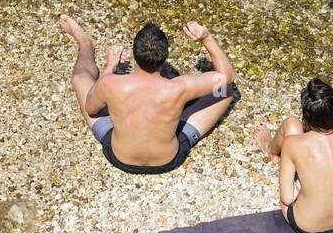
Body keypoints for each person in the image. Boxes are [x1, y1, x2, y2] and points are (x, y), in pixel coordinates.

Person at [61, 14, 235, 174]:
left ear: (134, 56)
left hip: (119, 158)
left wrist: (109, 68)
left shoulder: (110, 83)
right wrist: (207, 38)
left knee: (79, 78)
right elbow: (227, 76)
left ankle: (85, 43)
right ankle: (180, 116)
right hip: (168, 161)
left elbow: (91, 109)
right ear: (164, 58)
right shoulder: (181, 87)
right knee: (225, 91)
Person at [252, 78, 333, 233]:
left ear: (306, 116)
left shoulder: (293, 143)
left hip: (307, 225)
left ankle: (271, 150)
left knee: (291, 123)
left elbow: (287, 198)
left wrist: (300, 187)